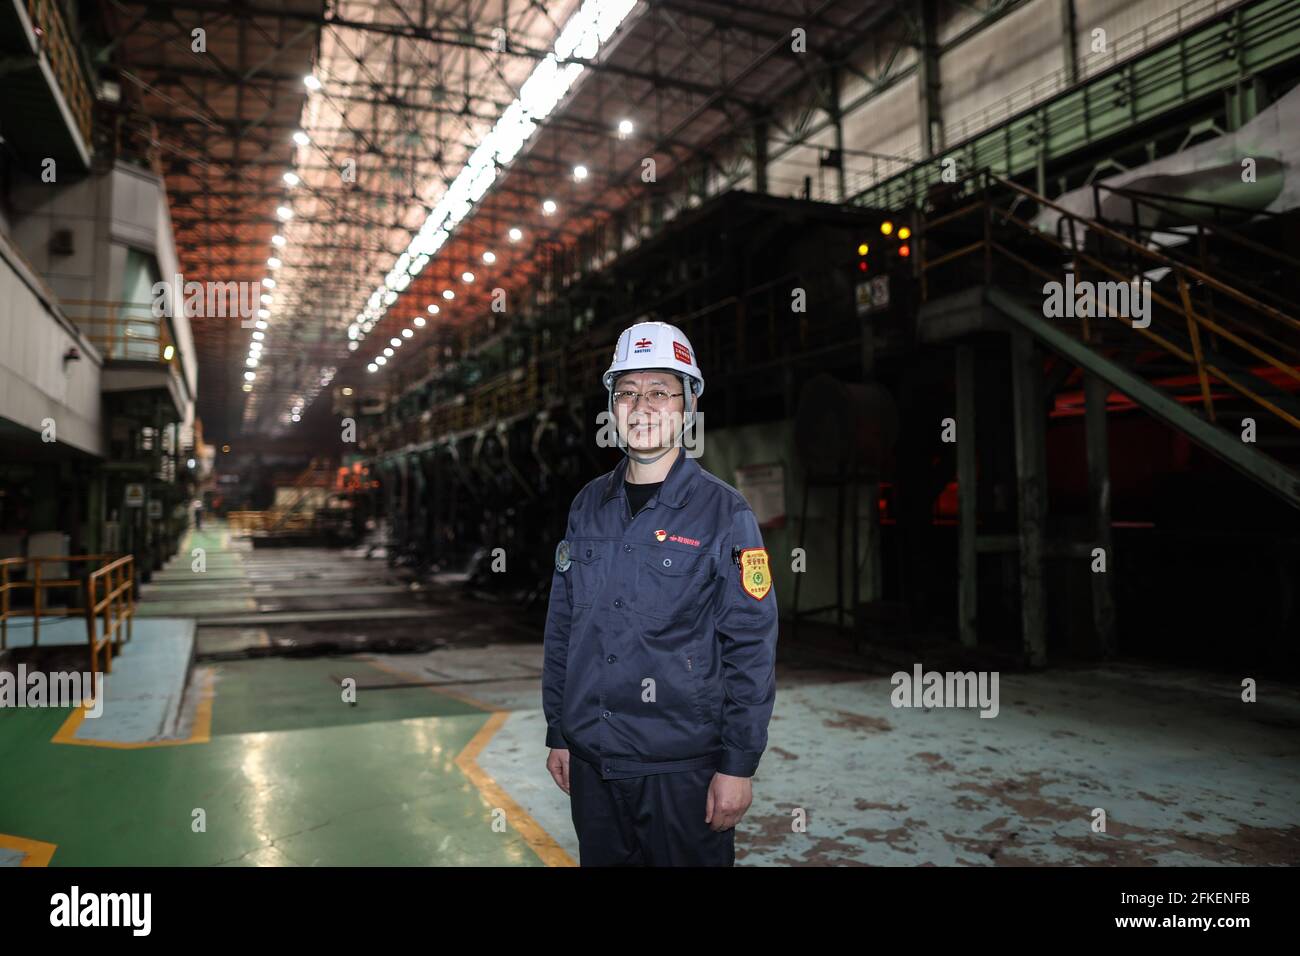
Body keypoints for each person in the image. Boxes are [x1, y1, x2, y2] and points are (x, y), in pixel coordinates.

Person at [542, 320, 779, 866]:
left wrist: (738, 764)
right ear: (611, 406)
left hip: (682, 771)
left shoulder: (725, 514)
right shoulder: (586, 505)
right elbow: (563, 627)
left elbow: (751, 645)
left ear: (689, 404)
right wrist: (559, 729)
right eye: (627, 392)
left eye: (659, 392)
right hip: (593, 761)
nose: (641, 405)